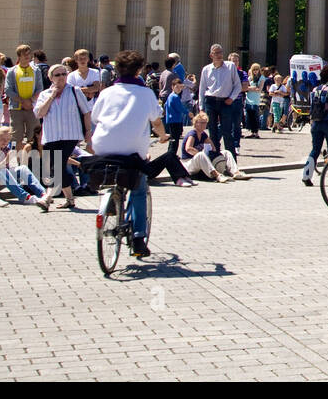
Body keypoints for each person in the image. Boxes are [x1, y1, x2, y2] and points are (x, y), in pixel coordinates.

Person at [87, 50, 172, 256]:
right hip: (132, 150)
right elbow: (157, 121)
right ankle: (138, 239)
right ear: (139, 70)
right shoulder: (145, 93)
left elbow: (96, 118)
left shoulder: (107, 92)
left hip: (103, 146)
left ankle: (111, 201)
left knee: (113, 173)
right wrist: (162, 136)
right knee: (139, 189)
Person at [34, 63, 93, 209]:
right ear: (51, 78)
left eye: (63, 74)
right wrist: (52, 95)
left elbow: (86, 112)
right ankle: (70, 199)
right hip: (51, 135)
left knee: (58, 165)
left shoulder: (74, 90)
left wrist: (88, 132)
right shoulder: (44, 94)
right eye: (57, 75)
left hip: (70, 135)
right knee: (55, 167)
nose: (61, 77)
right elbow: (39, 113)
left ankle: (47, 198)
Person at [0, 126, 51, 209]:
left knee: (23, 169)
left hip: (0, 178)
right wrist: (5, 161)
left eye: (8, 139)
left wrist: (14, 160)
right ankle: (25, 197)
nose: (5, 142)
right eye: (2, 139)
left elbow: (12, 169)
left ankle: (44, 195)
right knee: (3, 171)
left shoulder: (6, 149)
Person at [198, 45, 242, 159]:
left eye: (220, 52)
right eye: (216, 53)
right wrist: (201, 107)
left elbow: (237, 86)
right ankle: (216, 160)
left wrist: (231, 98)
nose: (219, 55)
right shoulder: (206, 69)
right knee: (213, 133)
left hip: (225, 102)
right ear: (211, 55)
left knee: (227, 131)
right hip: (211, 101)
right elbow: (202, 89)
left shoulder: (230, 66)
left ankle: (232, 162)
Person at [302, 67, 328, 187]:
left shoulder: (315, 89)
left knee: (315, 150)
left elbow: (312, 107)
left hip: (316, 122)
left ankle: (306, 175)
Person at [4, 45, 46, 148]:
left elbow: (40, 89)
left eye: (28, 53)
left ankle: (33, 161)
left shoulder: (36, 70)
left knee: (34, 136)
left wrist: (31, 101)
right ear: (19, 56)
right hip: (16, 108)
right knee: (16, 136)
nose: (27, 56)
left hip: (32, 108)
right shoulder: (12, 71)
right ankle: (15, 162)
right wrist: (23, 101)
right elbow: (8, 90)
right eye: (24, 54)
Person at [177, 115, 232, 182]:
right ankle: (217, 175)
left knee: (226, 152)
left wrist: (212, 153)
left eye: (205, 123)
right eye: (202, 123)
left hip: (200, 161)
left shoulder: (203, 134)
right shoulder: (192, 134)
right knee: (201, 155)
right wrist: (202, 155)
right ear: (196, 123)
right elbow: (188, 148)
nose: (204, 125)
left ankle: (235, 172)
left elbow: (213, 147)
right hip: (188, 163)